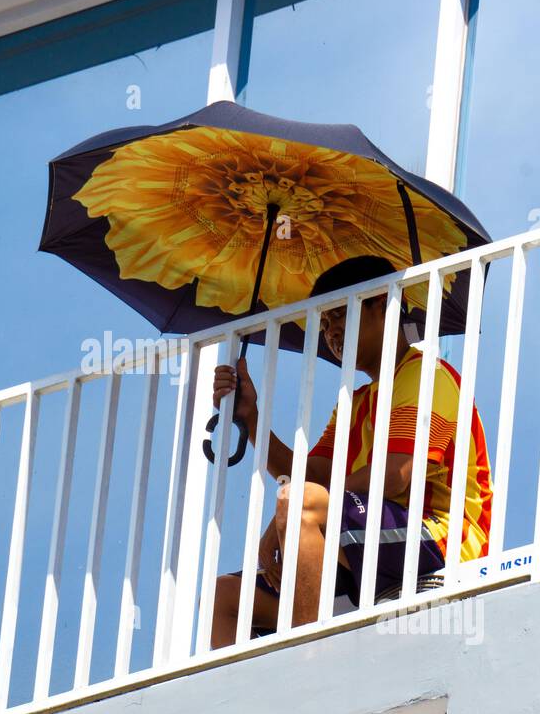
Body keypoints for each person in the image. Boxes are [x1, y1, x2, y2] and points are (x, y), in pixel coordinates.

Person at [209, 255, 493, 649]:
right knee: (225, 598)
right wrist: (251, 417)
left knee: (302, 503)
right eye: (324, 323)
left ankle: (305, 662)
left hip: (442, 540)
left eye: (340, 315)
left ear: (382, 301)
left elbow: (394, 475)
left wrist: (288, 515)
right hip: (372, 543)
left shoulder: (427, 375)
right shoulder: (356, 400)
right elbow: (308, 477)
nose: (331, 332)